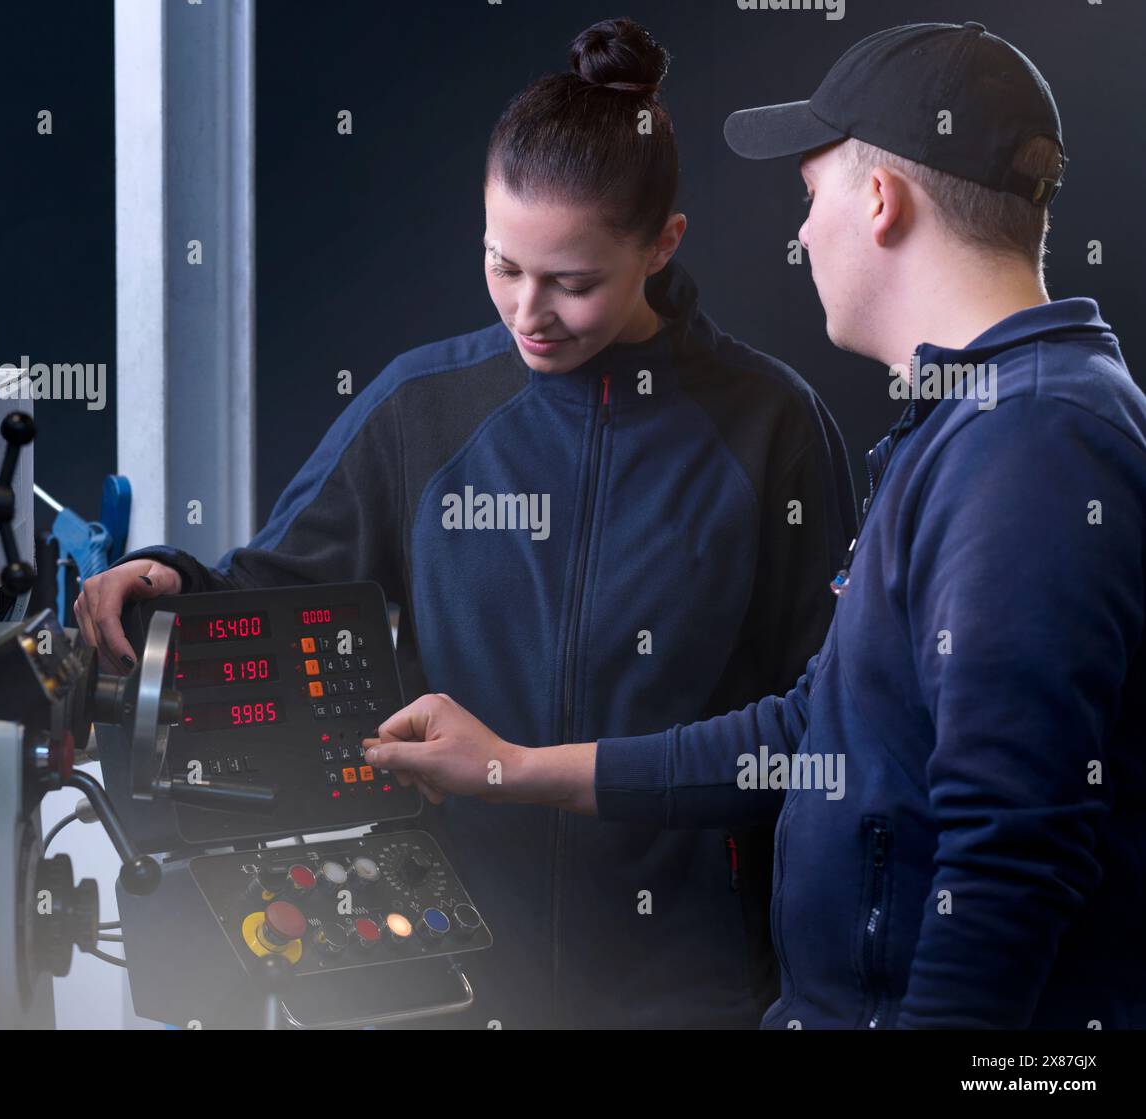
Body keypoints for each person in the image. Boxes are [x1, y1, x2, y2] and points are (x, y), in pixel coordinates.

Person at [76, 18, 855, 1028]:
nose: (528, 312)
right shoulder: (421, 409)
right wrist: (172, 579)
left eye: (572, 283)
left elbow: (826, 729)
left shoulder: (772, 425)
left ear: (661, 245)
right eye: (502, 266)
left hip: (692, 985)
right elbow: (278, 590)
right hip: (447, 974)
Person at [365, 22, 1146, 1029]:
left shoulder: (1034, 440)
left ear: (879, 202)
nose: (804, 233)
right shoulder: (978, 425)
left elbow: (1011, 853)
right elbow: (803, 733)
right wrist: (510, 769)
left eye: (810, 195)